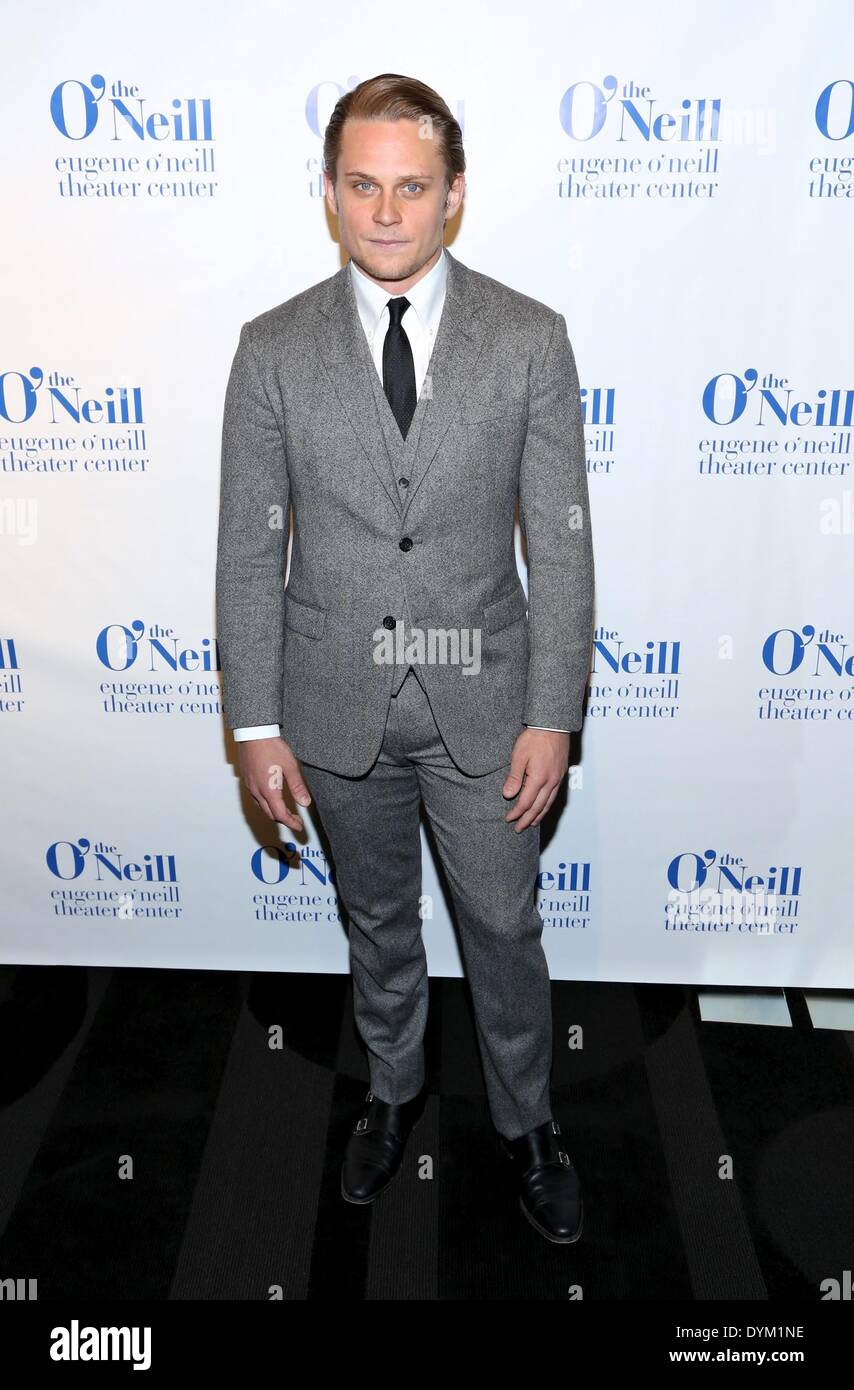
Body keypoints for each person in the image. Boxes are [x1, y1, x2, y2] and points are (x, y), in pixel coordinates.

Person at [215, 73, 594, 1243]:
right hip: (333, 705)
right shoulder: (269, 348)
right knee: (376, 923)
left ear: (454, 195)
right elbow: (246, 550)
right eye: (363, 185)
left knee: (504, 928)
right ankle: (389, 1090)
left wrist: (552, 715)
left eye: (411, 187)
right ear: (329, 194)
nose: (386, 211)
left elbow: (564, 546)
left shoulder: (529, 339)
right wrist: (255, 724)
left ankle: (527, 1121)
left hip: (488, 704)